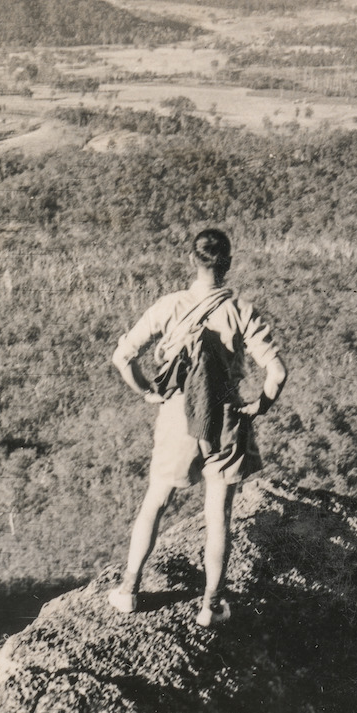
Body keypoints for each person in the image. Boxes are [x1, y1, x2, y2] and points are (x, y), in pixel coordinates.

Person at [109, 228, 287, 627]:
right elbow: (277, 371)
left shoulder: (170, 305)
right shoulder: (242, 309)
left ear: (193, 260)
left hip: (177, 416)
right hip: (227, 417)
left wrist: (147, 393)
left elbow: (123, 356)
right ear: (227, 263)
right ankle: (211, 605)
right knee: (218, 516)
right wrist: (259, 405)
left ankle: (129, 591)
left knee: (156, 502)